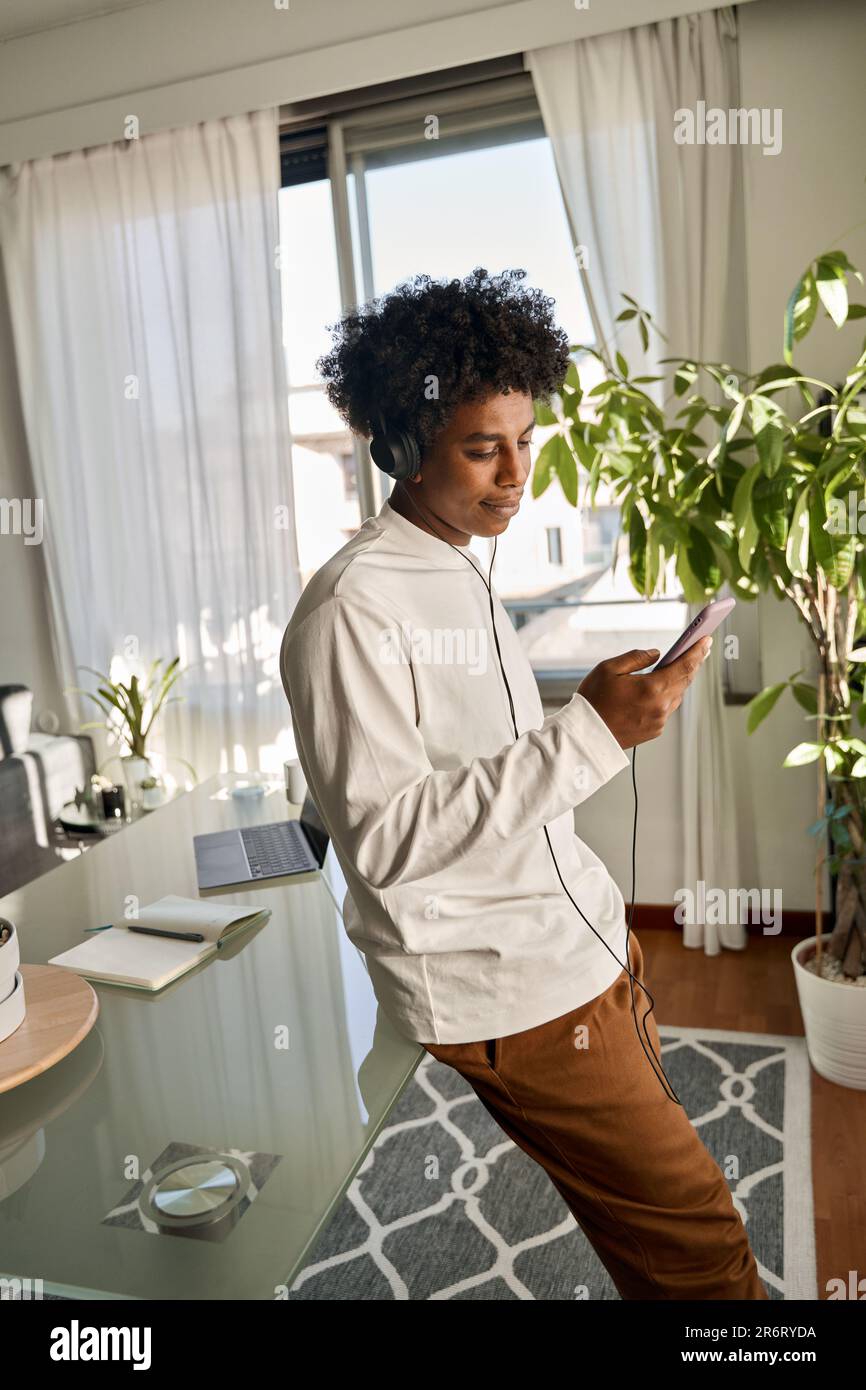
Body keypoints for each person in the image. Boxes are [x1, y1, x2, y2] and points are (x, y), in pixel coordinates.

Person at [280, 267, 767, 1301]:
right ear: (401, 446)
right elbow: (390, 838)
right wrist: (590, 731)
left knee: (662, 1225)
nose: (515, 475)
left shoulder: (456, 563)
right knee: (700, 1247)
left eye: (524, 440)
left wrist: (586, 721)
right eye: (479, 446)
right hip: (509, 986)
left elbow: (482, 771)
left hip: (571, 943)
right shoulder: (352, 610)